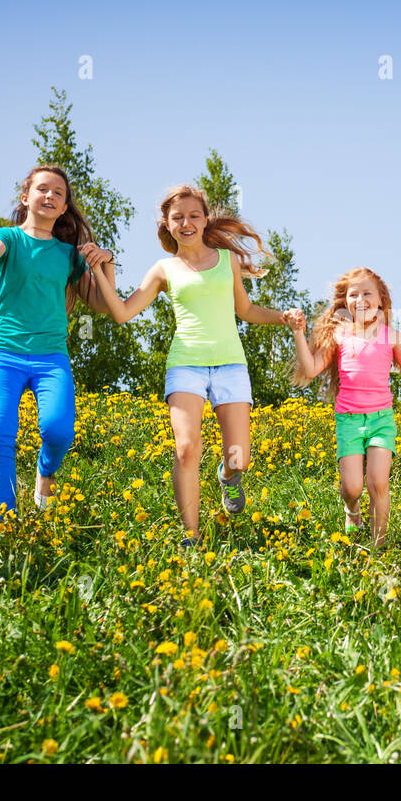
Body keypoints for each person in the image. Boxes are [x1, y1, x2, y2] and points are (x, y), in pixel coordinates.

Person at [85, 183, 300, 546]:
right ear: (167, 225)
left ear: (204, 220)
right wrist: (106, 267)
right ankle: (191, 536)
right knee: (186, 448)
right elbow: (122, 313)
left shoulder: (226, 261)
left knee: (240, 457)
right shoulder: (163, 269)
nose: (186, 222)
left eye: (193, 215)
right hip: (186, 365)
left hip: (231, 365)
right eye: (177, 217)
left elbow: (245, 311)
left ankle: (228, 477)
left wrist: (283, 317)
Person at [0, 165, 116, 525]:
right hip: (4, 354)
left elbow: (100, 303)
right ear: (26, 197)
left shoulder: (68, 255)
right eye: (42, 190)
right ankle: (3, 523)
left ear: (64, 207)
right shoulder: (10, 238)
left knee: (59, 429)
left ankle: (44, 475)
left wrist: (105, 263)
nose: (49, 196)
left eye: (58, 193)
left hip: (52, 358)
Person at [289, 267, 401, 548]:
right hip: (348, 420)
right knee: (352, 488)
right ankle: (352, 511)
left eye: (367, 293)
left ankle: (377, 547)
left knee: (377, 483)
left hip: (381, 420)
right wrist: (298, 333)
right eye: (353, 294)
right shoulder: (338, 335)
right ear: (345, 302)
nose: (360, 300)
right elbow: (311, 369)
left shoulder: (391, 336)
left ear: (381, 299)